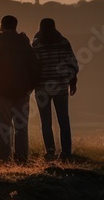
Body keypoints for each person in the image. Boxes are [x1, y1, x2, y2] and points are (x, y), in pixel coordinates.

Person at [0, 15, 41, 164]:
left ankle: (4, 159)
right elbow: (34, 68)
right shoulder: (25, 45)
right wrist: (29, 88)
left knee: (3, 127)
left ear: (2, 26)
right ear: (15, 26)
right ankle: (22, 159)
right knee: (21, 127)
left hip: (1, 92)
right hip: (22, 92)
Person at [32, 18, 79, 161]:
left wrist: (31, 84)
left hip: (41, 88)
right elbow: (73, 64)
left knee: (45, 122)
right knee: (63, 120)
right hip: (60, 86)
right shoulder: (63, 42)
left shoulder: (36, 44)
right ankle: (66, 152)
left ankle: (50, 151)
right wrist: (71, 81)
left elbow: (32, 66)